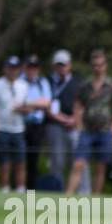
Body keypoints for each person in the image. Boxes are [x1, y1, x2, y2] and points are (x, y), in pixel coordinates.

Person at [67, 49, 112, 195]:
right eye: (94, 65)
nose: (97, 68)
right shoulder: (84, 86)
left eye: (100, 64)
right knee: (78, 163)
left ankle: (95, 198)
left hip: (105, 131)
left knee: (100, 167)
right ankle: (68, 195)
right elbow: (77, 106)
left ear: (105, 65)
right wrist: (79, 127)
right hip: (87, 130)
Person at [0, 55, 30, 193]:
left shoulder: (23, 85)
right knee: (4, 161)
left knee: (20, 161)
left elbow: (27, 108)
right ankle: (5, 188)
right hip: (2, 128)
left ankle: (20, 188)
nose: (12, 70)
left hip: (18, 129)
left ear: (18, 70)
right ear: (5, 68)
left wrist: (22, 109)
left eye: (15, 68)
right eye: (10, 67)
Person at [45, 49, 79, 190]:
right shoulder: (48, 81)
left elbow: (81, 104)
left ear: (69, 65)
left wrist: (74, 119)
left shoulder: (77, 82)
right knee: (56, 161)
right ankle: (56, 189)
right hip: (54, 125)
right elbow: (47, 105)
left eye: (64, 65)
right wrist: (61, 118)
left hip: (73, 125)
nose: (61, 68)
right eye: (59, 65)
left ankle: (75, 191)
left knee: (75, 161)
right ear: (54, 66)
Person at [21, 56, 51, 184]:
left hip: (37, 125)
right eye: (30, 67)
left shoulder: (42, 82)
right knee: (19, 158)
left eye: (35, 67)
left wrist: (28, 105)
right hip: (20, 124)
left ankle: (30, 189)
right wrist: (35, 104)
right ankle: (16, 187)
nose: (32, 70)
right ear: (25, 68)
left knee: (33, 159)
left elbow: (46, 103)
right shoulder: (19, 81)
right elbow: (17, 104)